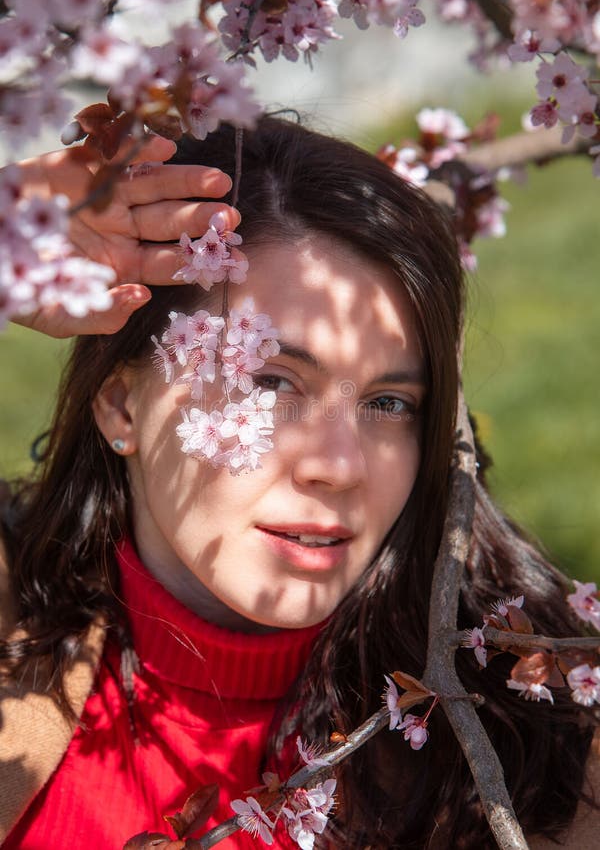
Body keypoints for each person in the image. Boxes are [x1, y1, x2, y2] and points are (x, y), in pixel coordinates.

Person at [0, 117, 598, 850]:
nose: (339, 465)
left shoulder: (542, 737)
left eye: (388, 403)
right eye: (271, 382)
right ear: (122, 404)